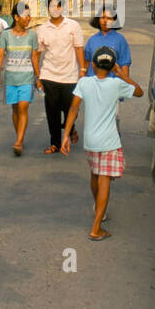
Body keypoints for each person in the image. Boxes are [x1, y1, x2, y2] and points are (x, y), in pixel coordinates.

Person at [61, 46, 142, 241]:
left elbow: (73, 109)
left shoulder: (84, 82)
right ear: (112, 65)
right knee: (105, 180)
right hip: (108, 141)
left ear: (94, 65)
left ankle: (99, 209)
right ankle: (96, 228)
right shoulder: (116, 84)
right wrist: (122, 74)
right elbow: (139, 92)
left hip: (90, 140)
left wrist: (66, 134)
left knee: (95, 175)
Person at [36, 0, 85, 155]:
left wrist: (82, 70)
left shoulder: (72, 26)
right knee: (52, 111)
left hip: (70, 76)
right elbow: (36, 54)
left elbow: (79, 48)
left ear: (62, 8)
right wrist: (38, 76)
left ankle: (70, 128)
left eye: (58, 6)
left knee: (71, 109)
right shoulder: (42, 29)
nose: (55, 9)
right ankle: (55, 143)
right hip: (49, 75)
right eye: (51, 6)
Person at [0, 0, 40, 156]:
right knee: (15, 109)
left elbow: (34, 57)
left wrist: (38, 77)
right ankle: (19, 135)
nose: (29, 18)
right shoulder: (5, 35)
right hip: (10, 78)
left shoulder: (32, 35)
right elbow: (0, 56)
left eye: (29, 15)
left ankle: (19, 141)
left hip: (27, 77)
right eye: (26, 15)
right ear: (16, 17)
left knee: (23, 107)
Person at [85, 6, 131, 82]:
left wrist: (125, 84)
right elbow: (87, 62)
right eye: (102, 17)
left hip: (112, 84)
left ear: (114, 20)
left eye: (109, 18)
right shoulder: (92, 40)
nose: (105, 21)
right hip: (93, 83)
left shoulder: (120, 39)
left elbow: (125, 64)